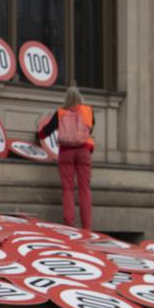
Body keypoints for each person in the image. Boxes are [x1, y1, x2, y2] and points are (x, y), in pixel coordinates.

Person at [37, 85, 94, 229]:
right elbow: (91, 128)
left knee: (68, 189)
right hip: (83, 152)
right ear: (80, 97)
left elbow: (46, 131)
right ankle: (86, 226)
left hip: (66, 152)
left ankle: (69, 224)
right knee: (84, 189)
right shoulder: (88, 110)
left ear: (66, 98)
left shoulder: (60, 112)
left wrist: (39, 135)